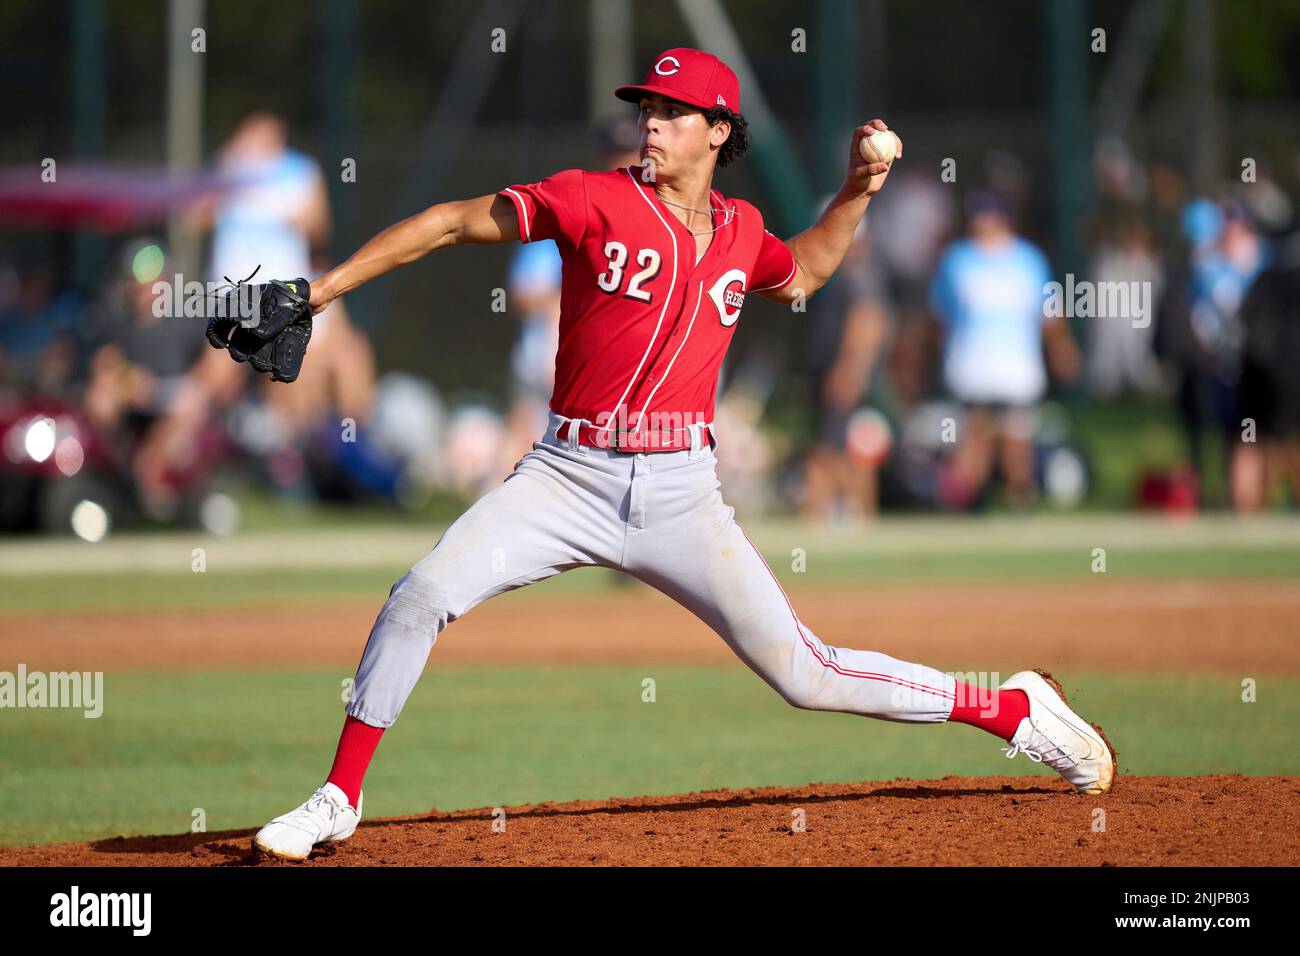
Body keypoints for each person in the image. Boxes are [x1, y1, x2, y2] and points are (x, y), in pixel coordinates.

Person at [251, 48, 1115, 861]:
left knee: (806, 675)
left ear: (719, 131)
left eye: (673, 111)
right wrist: (316, 295)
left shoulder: (740, 230)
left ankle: (1010, 710)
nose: (652, 123)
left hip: (682, 494)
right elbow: (446, 225)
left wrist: (857, 187)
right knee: (424, 590)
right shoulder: (591, 197)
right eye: (648, 108)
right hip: (566, 478)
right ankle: (338, 795)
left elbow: (806, 273)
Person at [497, 119, 642, 479]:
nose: (621, 163)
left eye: (628, 154)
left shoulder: (654, 215)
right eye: (614, 154)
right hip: (557, 346)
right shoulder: (573, 211)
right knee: (526, 424)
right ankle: (496, 494)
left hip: (621, 351)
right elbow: (524, 296)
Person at [929, 190, 1080, 509]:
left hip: (1017, 368)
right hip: (971, 366)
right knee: (974, 437)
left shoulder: (1029, 259)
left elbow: (1050, 312)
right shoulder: (957, 259)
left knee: (1016, 441)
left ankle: (1020, 502)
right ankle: (964, 505)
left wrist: (1062, 350)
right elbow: (938, 316)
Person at [803, 212, 892, 521]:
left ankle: (825, 513)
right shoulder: (847, 273)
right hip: (837, 371)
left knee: (831, 446)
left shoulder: (857, 274)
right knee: (843, 444)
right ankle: (850, 513)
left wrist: (850, 370)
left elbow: (868, 322)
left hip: (843, 374)